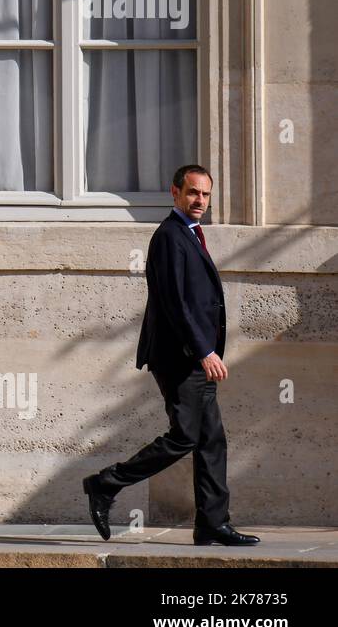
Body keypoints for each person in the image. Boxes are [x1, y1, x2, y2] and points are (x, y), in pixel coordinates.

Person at [82, 165, 259, 546]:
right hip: (180, 358)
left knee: (211, 440)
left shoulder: (190, 236)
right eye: (193, 193)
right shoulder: (168, 236)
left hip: (193, 357)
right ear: (175, 192)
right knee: (186, 437)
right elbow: (175, 303)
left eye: (206, 195)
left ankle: (212, 523)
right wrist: (205, 351)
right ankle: (105, 483)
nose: (200, 201)